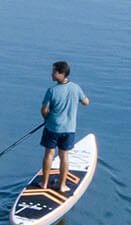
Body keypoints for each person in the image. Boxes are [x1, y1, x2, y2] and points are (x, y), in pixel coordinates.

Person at [38, 61, 89, 192]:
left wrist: (46, 119)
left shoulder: (51, 91)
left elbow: (44, 110)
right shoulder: (76, 88)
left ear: (62, 73)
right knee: (64, 155)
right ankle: (62, 186)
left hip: (52, 128)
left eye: (54, 71)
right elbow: (86, 102)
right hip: (69, 129)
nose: (52, 74)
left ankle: (44, 184)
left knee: (49, 154)